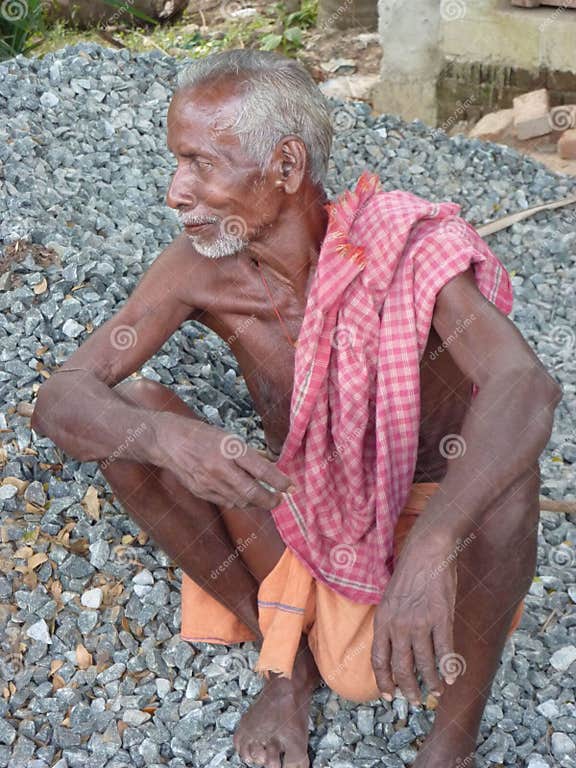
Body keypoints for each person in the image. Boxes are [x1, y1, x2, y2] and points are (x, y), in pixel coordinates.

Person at [32, 49, 563, 768]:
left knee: (510, 485)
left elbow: (524, 385)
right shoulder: (200, 268)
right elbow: (63, 397)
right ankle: (287, 665)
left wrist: (433, 548)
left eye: (199, 164)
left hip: (436, 517)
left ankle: (451, 742)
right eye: (174, 163)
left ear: (285, 167)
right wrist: (166, 439)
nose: (174, 192)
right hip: (309, 510)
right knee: (134, 411)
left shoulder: (405, 248)